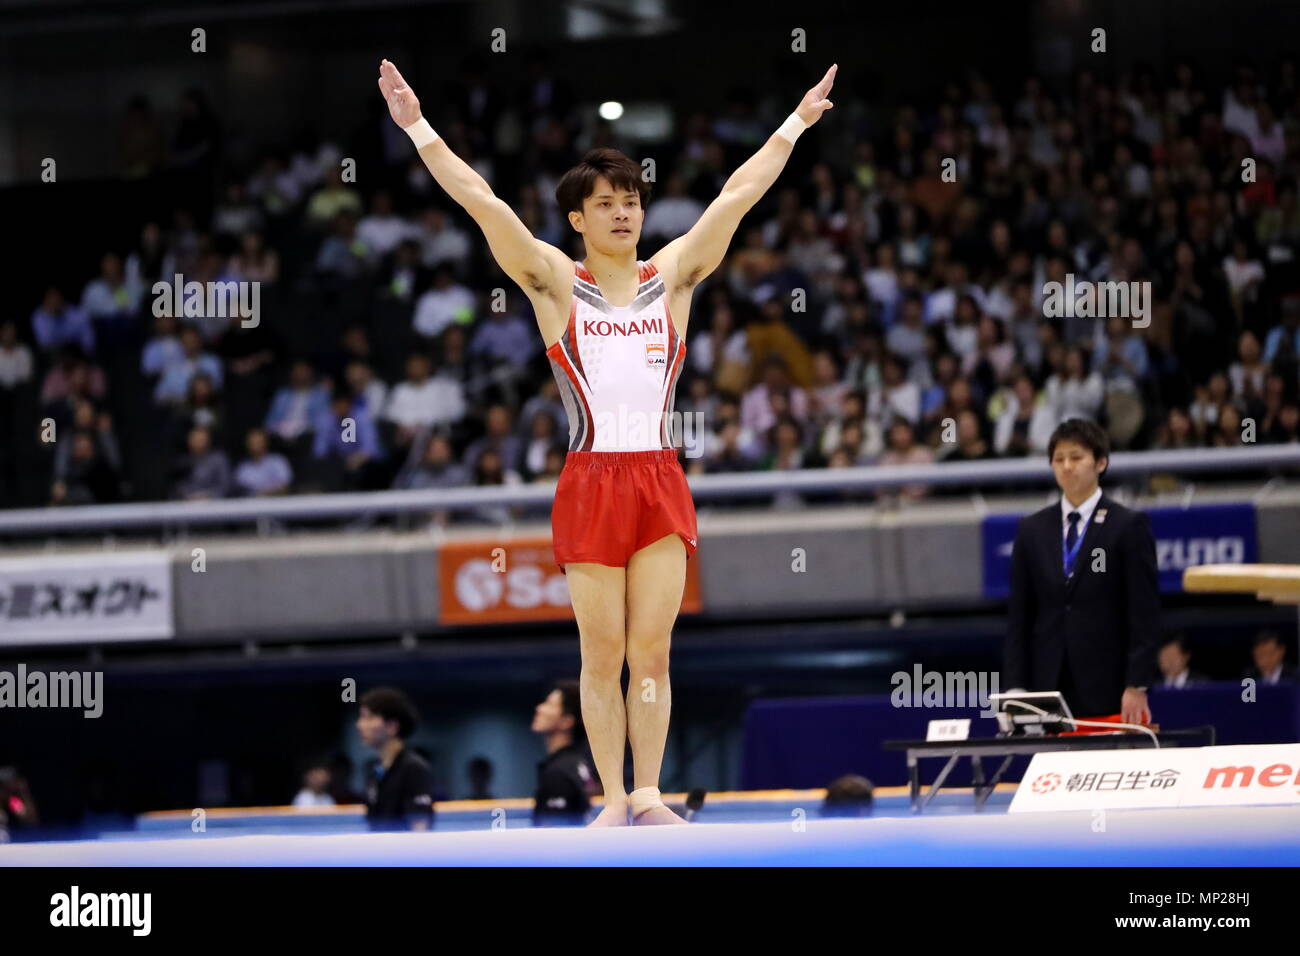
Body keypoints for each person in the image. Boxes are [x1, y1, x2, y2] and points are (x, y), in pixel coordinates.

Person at [377, 57, 837, 825]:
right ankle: (615, 797)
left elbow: (739, 194)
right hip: (590, 478)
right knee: (602, 654)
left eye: (632, 200)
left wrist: (795, 122)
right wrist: (417, 127)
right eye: (606, 203)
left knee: (651, 652)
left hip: (657, 477)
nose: (624, 213)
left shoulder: (677, 275)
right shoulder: (555, 281)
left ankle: (649, 792)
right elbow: (483, 202)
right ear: (578, 220)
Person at [1004, 418, 1160, 723]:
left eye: (1076, 458)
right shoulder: (1032, 529)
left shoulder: (1127, 525)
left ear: (1100, 463)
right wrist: (1015, 686)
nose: (1067, 466)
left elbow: (1144, 612)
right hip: (1047, 684)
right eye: (1059, 459)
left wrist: (1137, 683)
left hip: (1109, 682)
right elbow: (1019, 616)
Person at [355, 687, 435, 831]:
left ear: (391, 726)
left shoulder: (413, 768)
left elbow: (420, 828)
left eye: (368, 717)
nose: (359, 725)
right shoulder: (375, 773)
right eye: (361, 717)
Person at [531, 679, 596, 826]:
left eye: (549, 704)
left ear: (567, 721)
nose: (539, 708)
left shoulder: (560, 772)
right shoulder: (576, 764)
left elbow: (553, 838)